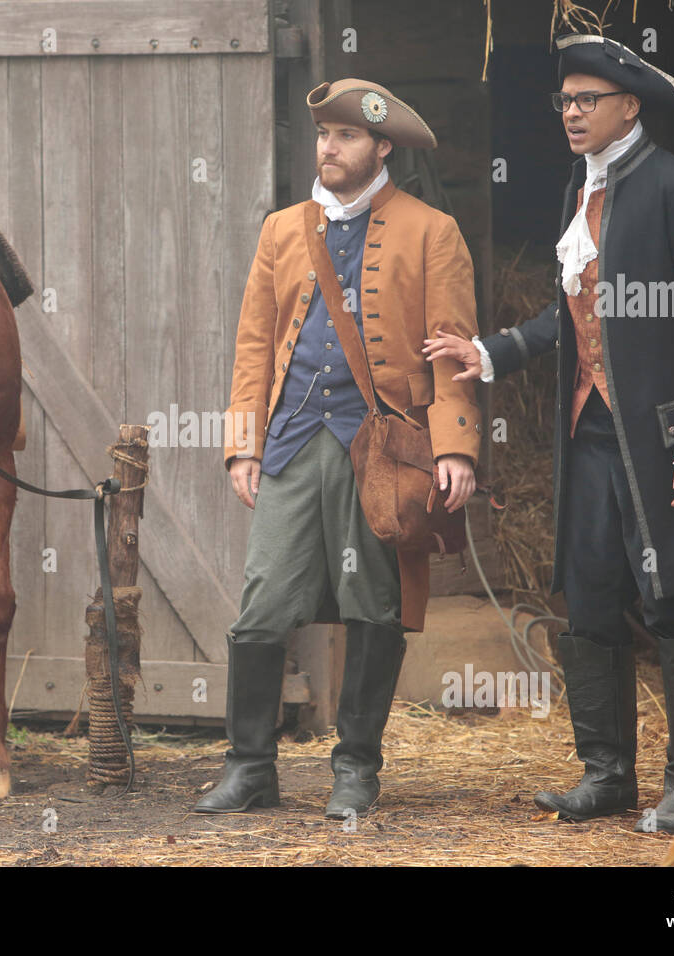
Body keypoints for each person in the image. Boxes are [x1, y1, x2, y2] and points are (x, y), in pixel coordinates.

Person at [423, 35, 674, 833]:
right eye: (564, 101)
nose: (570, 113)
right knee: (592, 605)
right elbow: (568, 314)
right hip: (590, 438)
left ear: (628, 107)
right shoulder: (580, 187)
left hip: (662, 441)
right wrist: (490, 352)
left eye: (586, 100)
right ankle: (606, 776)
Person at [196, 79, 482, 817]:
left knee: (374, 608)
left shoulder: (432, 232)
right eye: (323, 135)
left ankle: (356, 768)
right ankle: (250, 767)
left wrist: (456, 448)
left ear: (382, 147)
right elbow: (254, 345)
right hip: (292, 443)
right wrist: (242, 444)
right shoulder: (283, 229)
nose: (329, 147)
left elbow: (451, 358)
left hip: (378, 451)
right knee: (260, 607)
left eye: (347, 136)